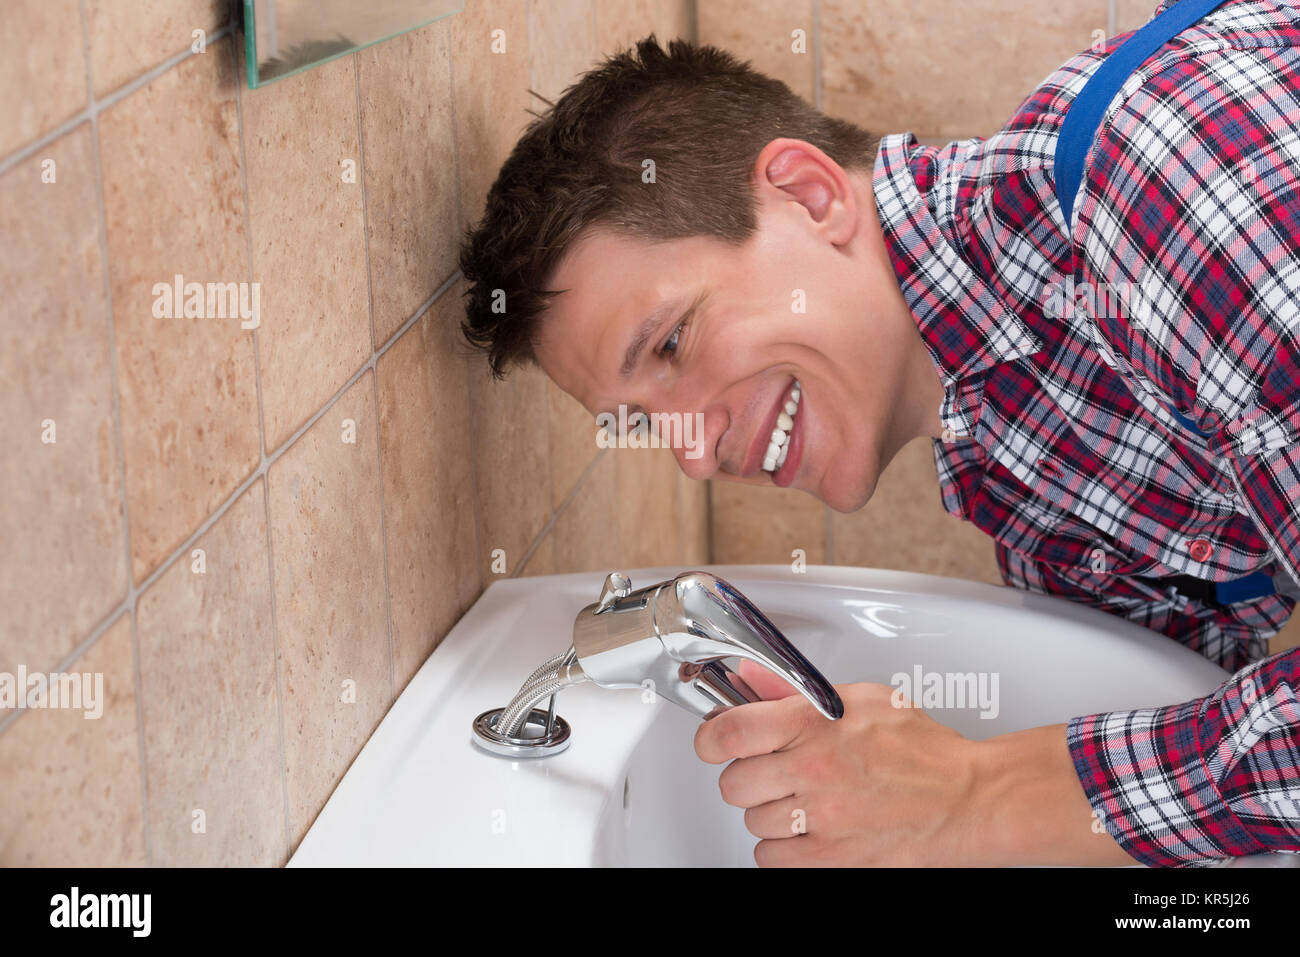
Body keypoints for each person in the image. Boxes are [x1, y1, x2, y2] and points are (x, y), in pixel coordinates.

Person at [457, 0, 1300, 866]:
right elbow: (1183, 747)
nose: (695, 452)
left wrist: (979, 795)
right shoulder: (1016, 453)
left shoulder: (1165, 176)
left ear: (810, 195)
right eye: (641, 421)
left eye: (673, 342)